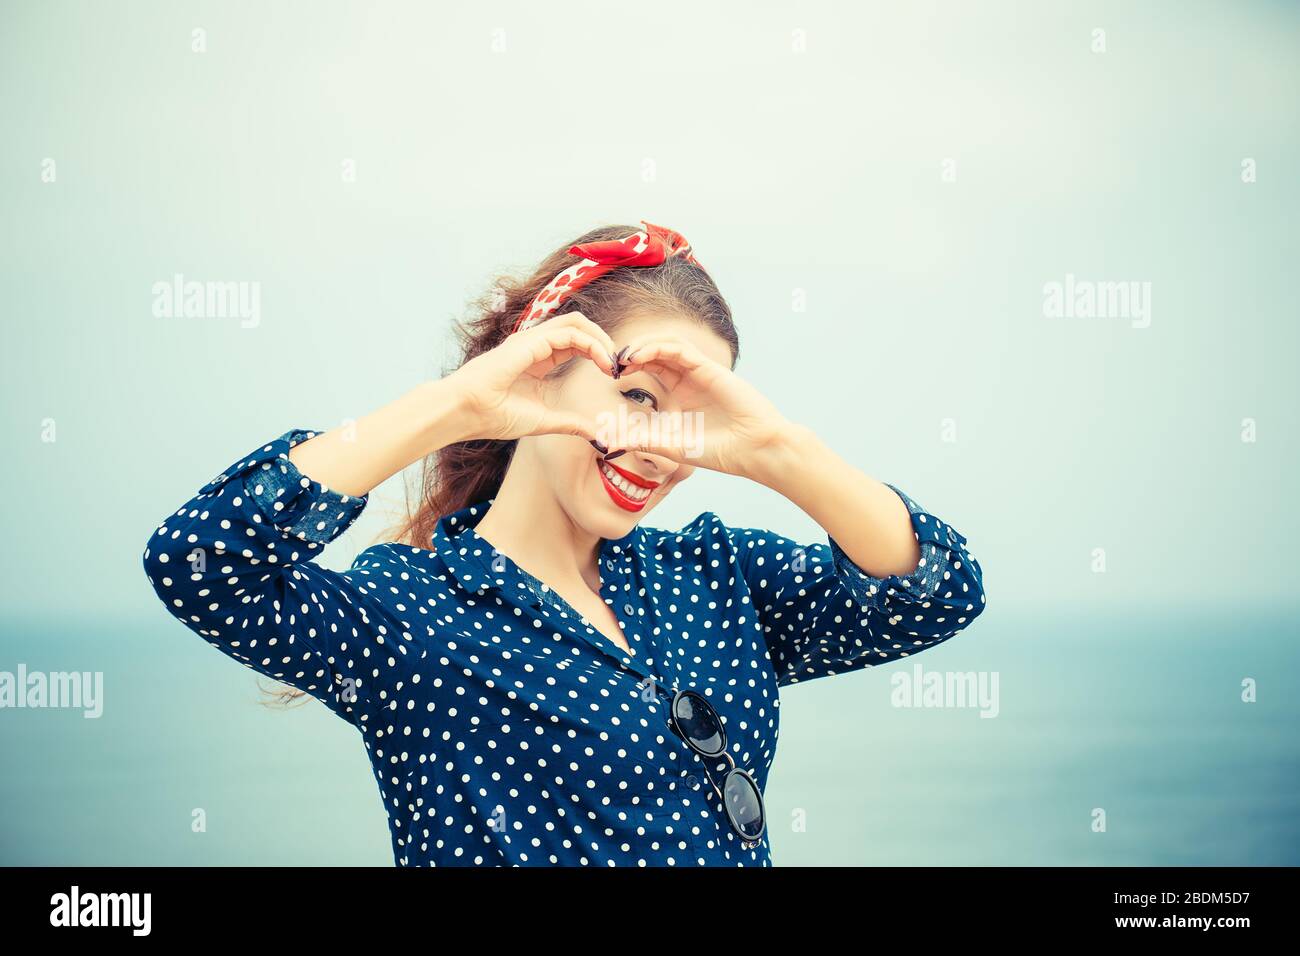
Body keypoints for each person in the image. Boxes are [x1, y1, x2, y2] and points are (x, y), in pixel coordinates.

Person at [142, 220, 987, 866]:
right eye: (637, 395)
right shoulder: (414, 618)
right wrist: (461, 403)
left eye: (693, 412)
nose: (662, 446)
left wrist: (779, 452)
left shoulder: (717, 575)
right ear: (541, 366)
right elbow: (202, 561)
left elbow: (936, 593)